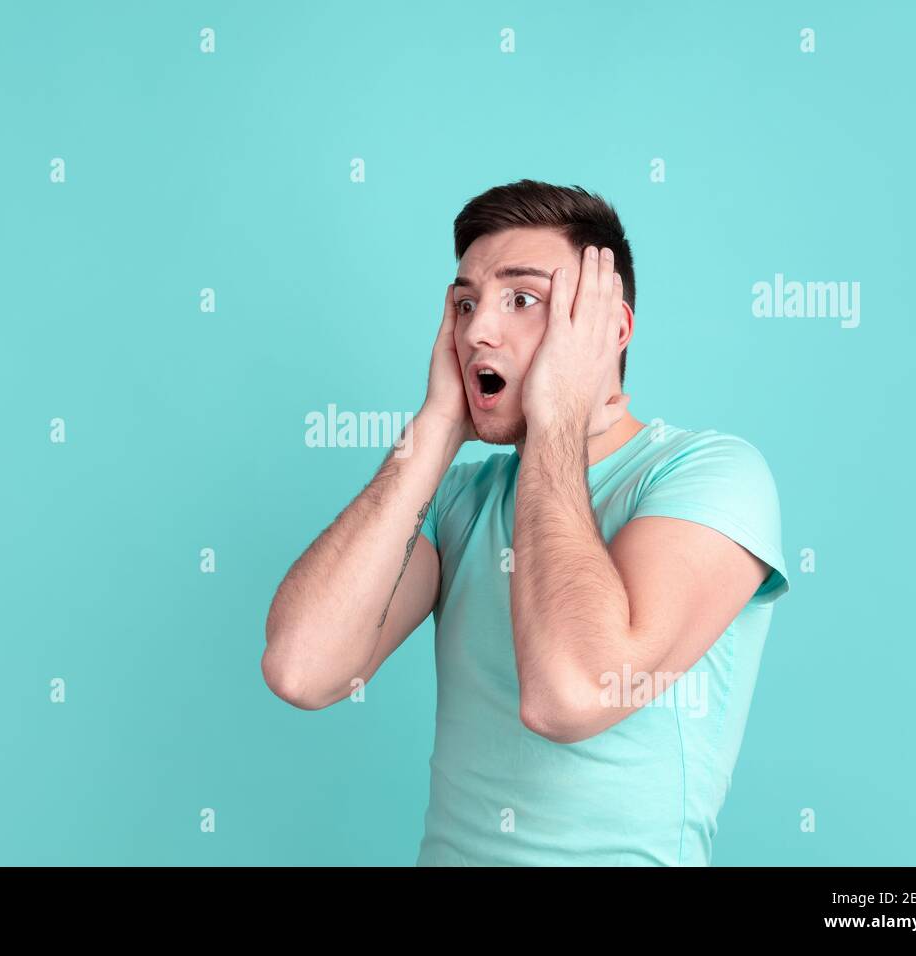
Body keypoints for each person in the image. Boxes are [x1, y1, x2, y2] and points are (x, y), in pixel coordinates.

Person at [262, 179, 791, 866]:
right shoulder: (458, 500)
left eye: (522, 299)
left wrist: (556, 417)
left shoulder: (712, 476)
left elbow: (570, 696)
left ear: (611, 332)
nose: (479, 330)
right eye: (464, 304)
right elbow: (304, 670)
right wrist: (436, 427)